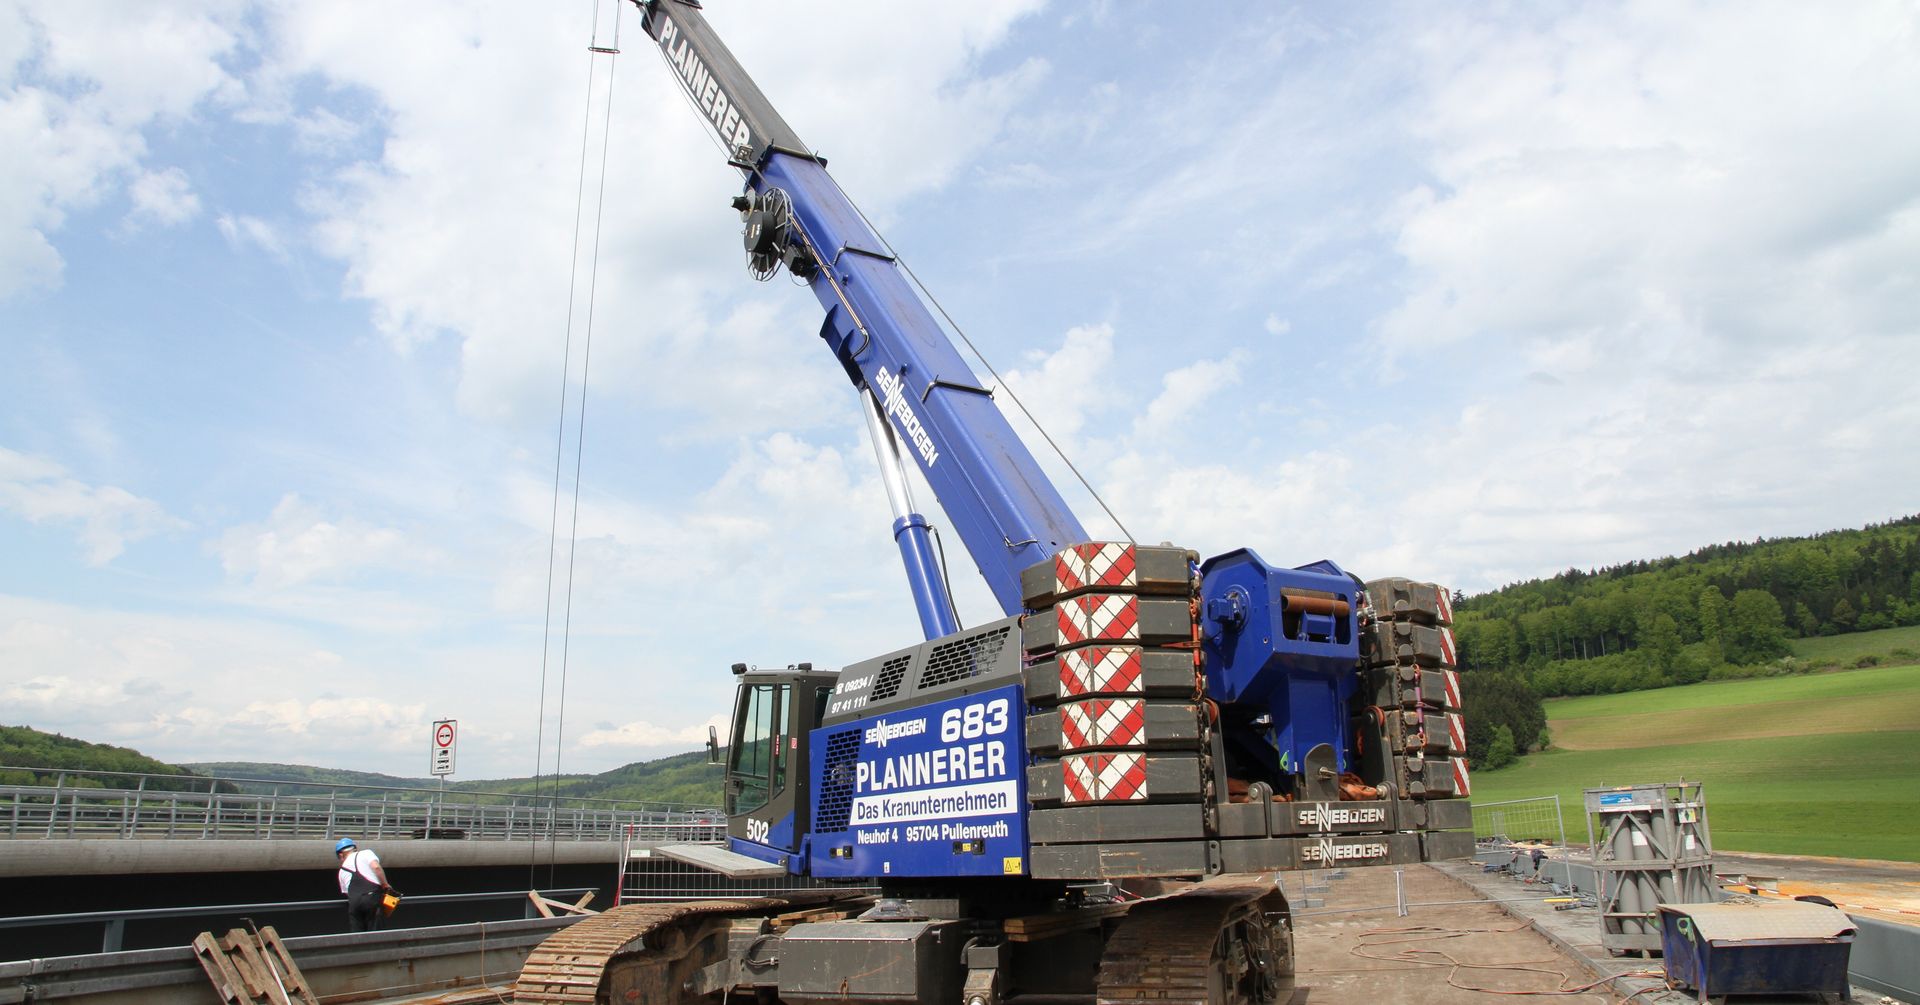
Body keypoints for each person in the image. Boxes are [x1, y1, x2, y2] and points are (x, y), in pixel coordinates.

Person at [335, 837, 392, 932]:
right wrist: (385, 884)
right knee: (376, 934)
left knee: (358, 937)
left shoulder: (341, 871)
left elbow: (347, 893)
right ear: (354, 848)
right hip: (371, 899)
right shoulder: (366, 853)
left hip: (354, 904)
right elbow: (376, 867)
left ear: (341, 855)